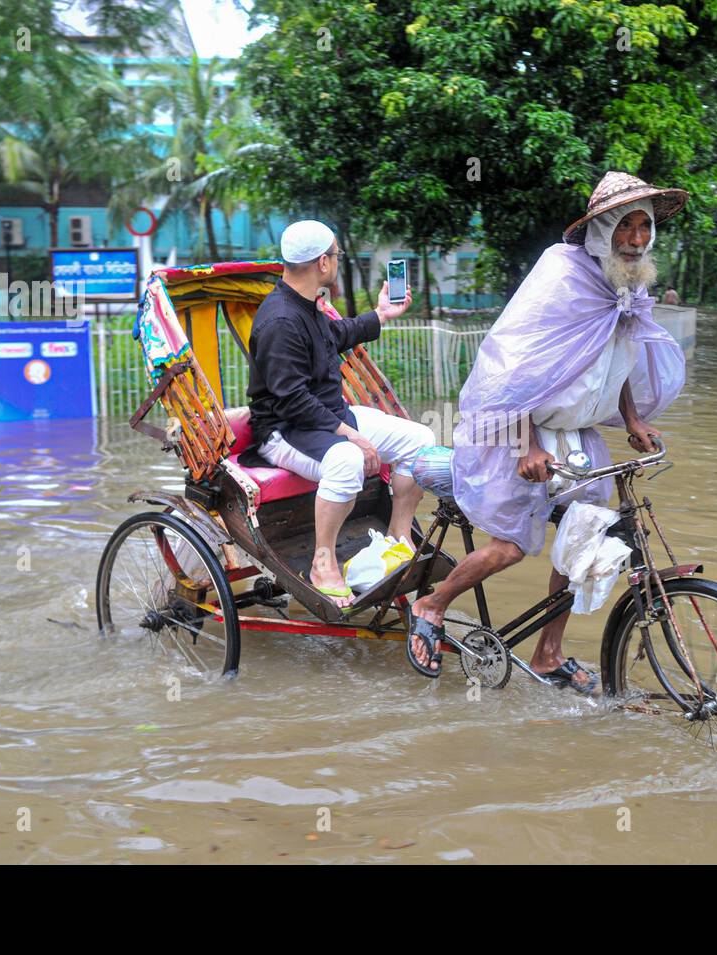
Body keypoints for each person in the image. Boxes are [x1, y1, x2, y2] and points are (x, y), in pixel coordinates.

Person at [405, 172, 687, 691]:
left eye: (644, 225)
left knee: (586, 537)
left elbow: (617, 358)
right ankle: (432, 603)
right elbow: (513, 369)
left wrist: (631, 420)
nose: (637, 238)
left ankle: (549, 652)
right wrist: (527, 445)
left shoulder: (629, 283)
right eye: (625, 225)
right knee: (511, 547)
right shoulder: (560, 274)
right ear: (602, 229)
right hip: (518, 432)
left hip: (579, 437)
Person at [242, 220, 434, 608]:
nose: (336, 261)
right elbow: (291, 399)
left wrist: (381, 314)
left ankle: (399, 531)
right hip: (284, 430)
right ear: (323, 263)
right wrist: (350, 434)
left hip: (328, 417)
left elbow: (336, 335)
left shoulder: (306, 305)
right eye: (336, 255)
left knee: (422, 440)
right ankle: (323, 560)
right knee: (348, 459)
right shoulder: (280, 319)